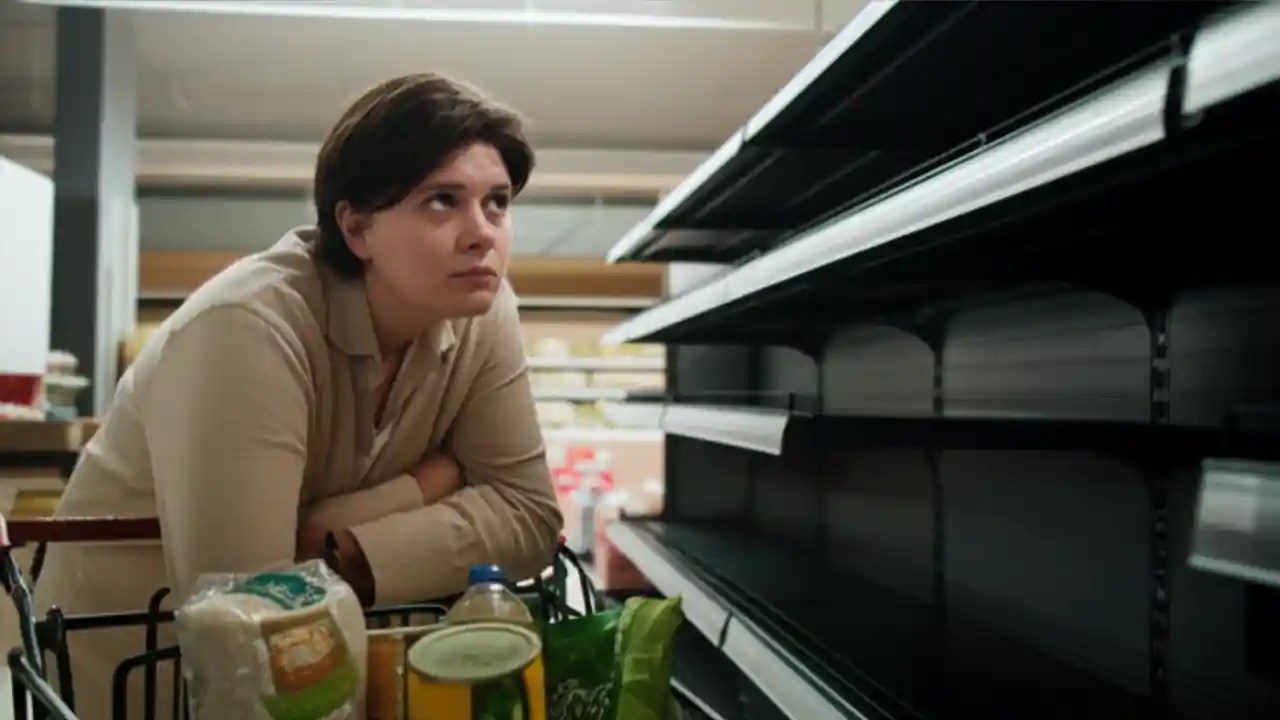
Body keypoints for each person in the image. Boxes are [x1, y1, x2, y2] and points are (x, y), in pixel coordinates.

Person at [33, 72, 562, 718]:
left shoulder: (484, 309)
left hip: (327, 683)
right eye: (442, 201)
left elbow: (531, 519)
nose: (483, 232)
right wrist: (432, 483)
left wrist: (340, 544)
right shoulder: (246, 328)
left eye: (498, 202)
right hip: (137, 681)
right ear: (356, 228)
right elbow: (244, 616)